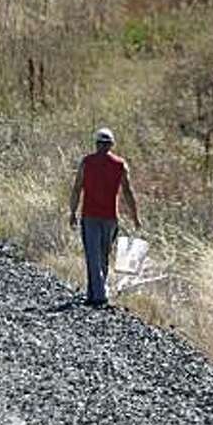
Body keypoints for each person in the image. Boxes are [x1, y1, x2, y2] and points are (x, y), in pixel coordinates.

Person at [68, 127, 140, 307]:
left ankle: (97, 294)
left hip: (90, 216)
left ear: (96, 144)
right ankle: (98, 292)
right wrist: (135, 217)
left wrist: (72, 212)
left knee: (93, 256)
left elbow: (77, 188)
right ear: (111, 144)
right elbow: (128, 192)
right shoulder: (120, 165)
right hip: (110, 218)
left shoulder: (86, 162)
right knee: (104, 256)